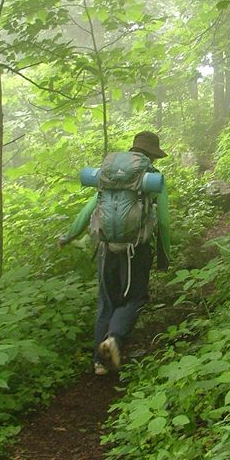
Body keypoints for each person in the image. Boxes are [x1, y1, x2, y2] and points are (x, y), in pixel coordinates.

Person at [58, 131, 170, 376]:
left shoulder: (109, 176)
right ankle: (114, 339)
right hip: (135, 250)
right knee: (134, 298)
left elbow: (89, 209)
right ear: (152, 154)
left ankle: (99, 362)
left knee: (106, 301)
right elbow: (163, 221)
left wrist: (69, 236)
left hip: (105, 248)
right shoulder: (151, 177)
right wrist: (164, 255)